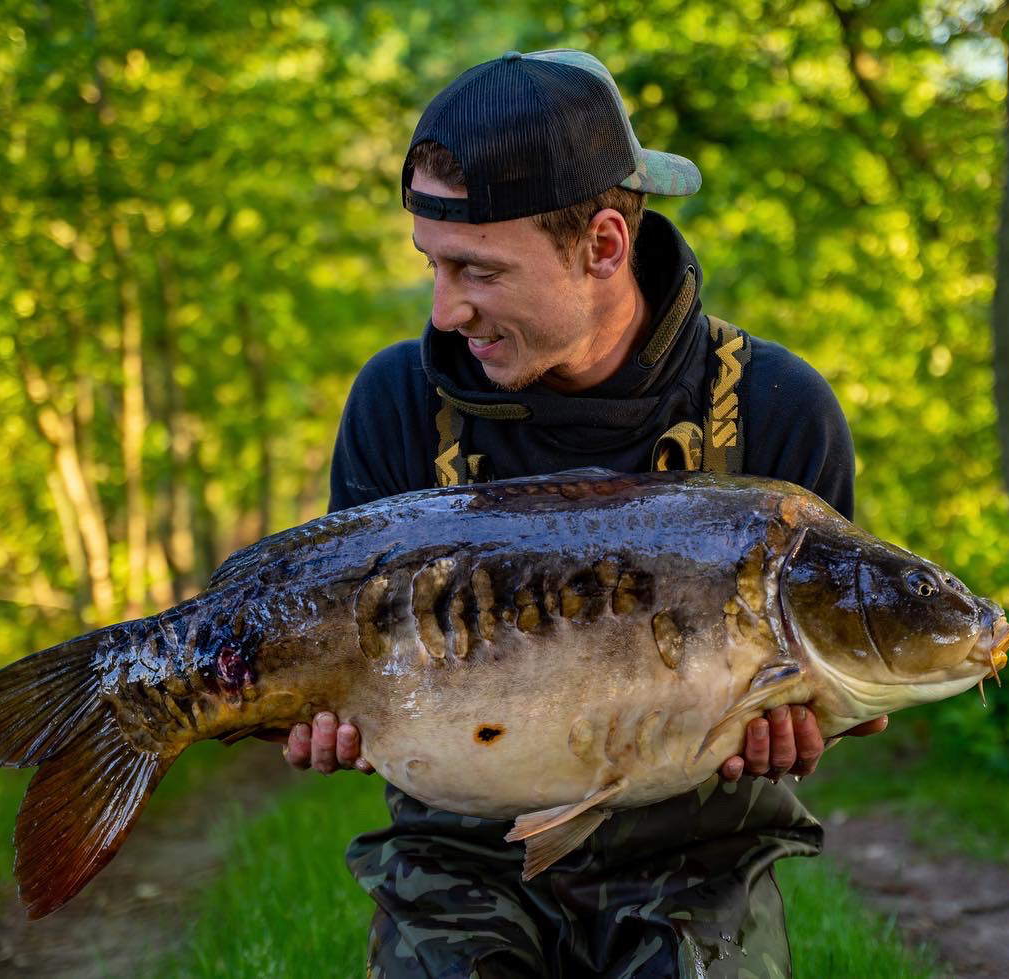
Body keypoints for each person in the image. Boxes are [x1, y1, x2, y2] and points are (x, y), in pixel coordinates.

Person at [282, 49, 886, 978]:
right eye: (431, 265)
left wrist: (796, 728)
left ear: (603, 244)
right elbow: (338, 660)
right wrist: (321, 711)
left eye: (476, 270)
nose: (444, 311)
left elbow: (829, 674)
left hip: (698, 862)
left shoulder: (777, 407)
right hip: (462, 851)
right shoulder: (396, 404)